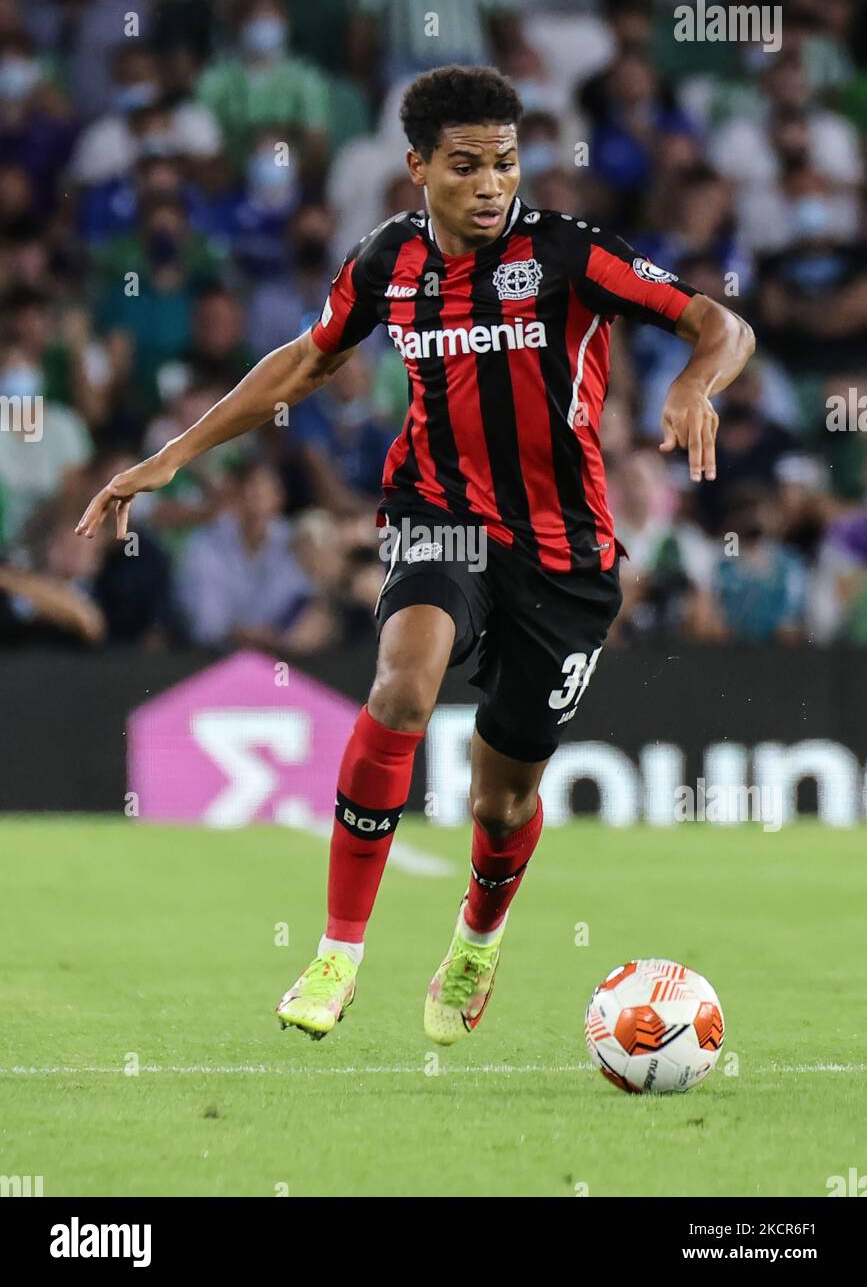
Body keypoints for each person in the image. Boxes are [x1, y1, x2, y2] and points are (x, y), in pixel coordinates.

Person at [75, 65, 754, 1046]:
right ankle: (337, 954)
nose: (491, 184)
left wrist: (697, 381)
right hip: (439, 513)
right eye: (467, 165)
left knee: (503, 791)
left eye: (507, 164)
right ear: (417, 167)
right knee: (402, 686)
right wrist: (170, 456)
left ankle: (477, 937)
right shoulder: (388, 262)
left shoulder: (564, 251)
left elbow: (719, 323)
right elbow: (308, 359)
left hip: (564, 555)